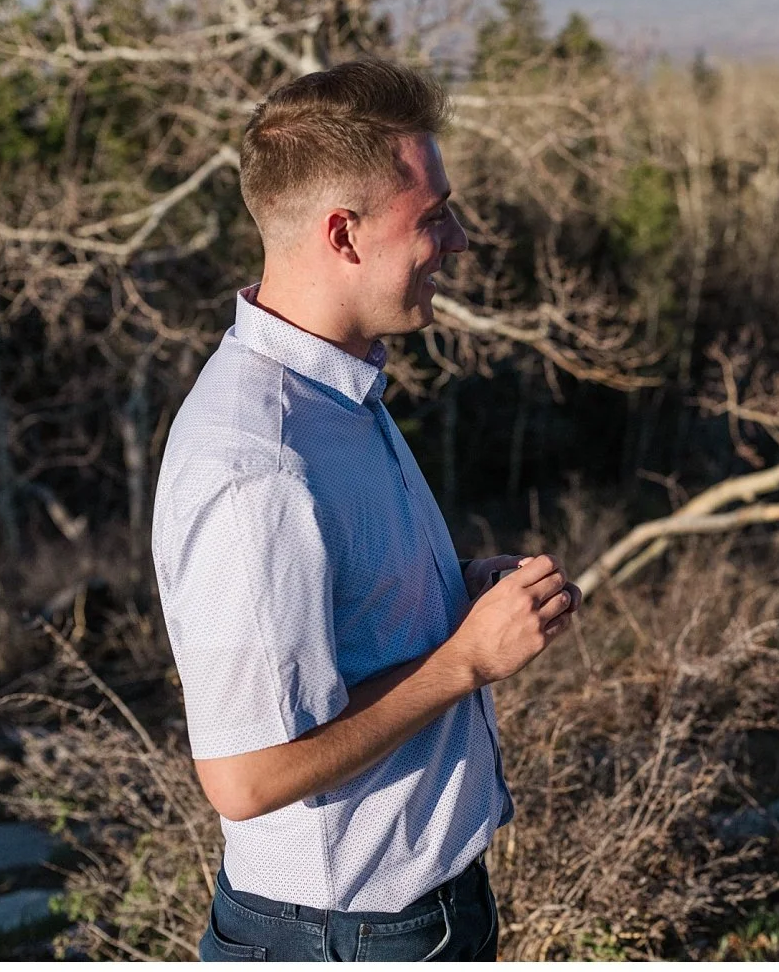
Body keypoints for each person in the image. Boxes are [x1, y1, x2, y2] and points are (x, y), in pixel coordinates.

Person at [150, 57, 581, 961]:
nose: (457, 241)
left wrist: (455, 597)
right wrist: (465, 659)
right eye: (432, 218)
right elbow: (245, 775)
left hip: (404, 914)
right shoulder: (259, 463)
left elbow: (324, 636)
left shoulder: (335, 397)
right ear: (343, 233)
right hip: (345, 936)